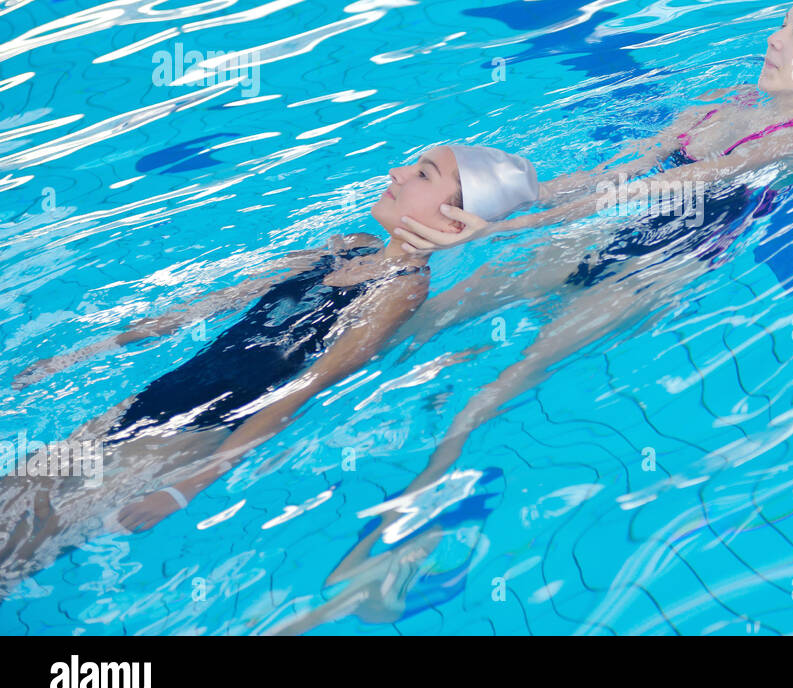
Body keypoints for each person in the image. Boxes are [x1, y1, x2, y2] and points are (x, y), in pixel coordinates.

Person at [304, 0, 793, 625]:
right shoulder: (721, 104)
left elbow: (656, 189)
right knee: (429, 317)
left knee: (496, 391)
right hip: (595, 239)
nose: (776, 38)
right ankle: (285, 391)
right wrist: (510, 200)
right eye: (785, 23)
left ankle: (401, 546)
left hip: (656, 270)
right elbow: (609, 178)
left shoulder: (792, 140)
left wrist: (500, 233)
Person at [0, 144, 541, 590]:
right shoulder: (350, 246)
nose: (397, 171)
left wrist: (190, 482)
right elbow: (213, 302)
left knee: (34, 537)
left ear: (455, 215)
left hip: (198, 428)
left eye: (423, 174)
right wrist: (89, 351)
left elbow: (305, 389)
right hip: (159, 394)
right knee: (16, 490)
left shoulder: (399, 292)